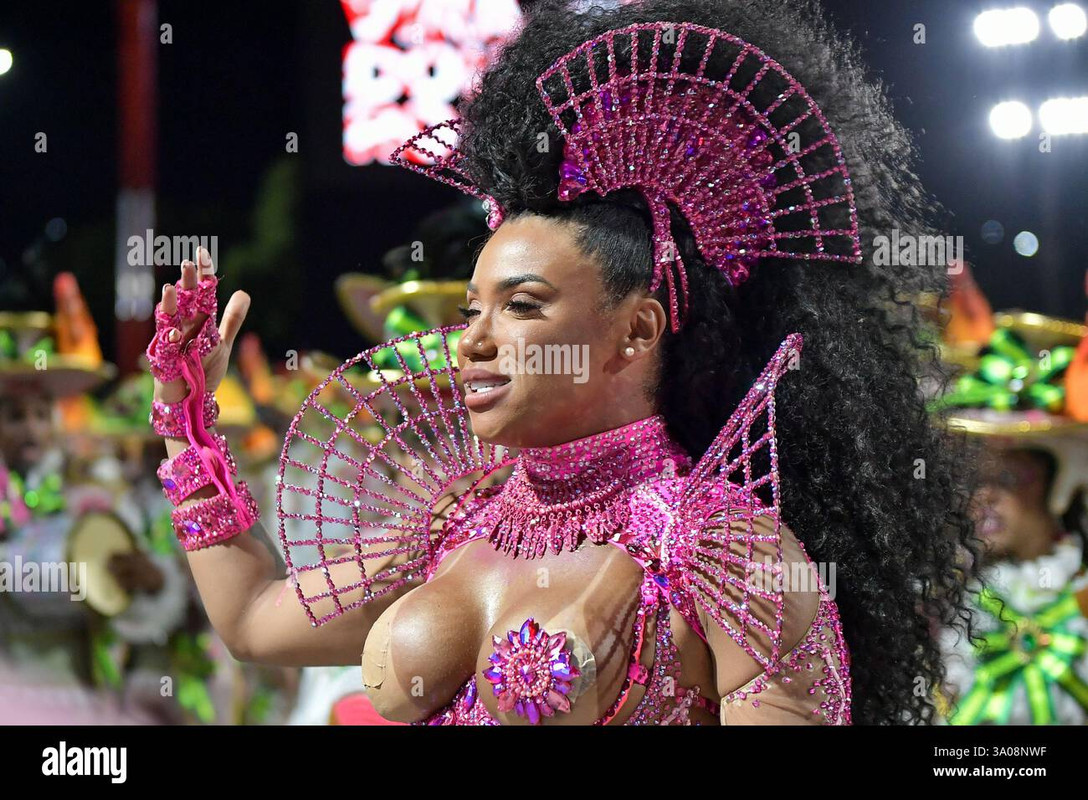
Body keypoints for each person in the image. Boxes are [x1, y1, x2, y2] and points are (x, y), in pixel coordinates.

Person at [145, 0, 980, 725]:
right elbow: (254, 622)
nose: (471, 339)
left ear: (638, 330)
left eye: (522, 305)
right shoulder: (456, 521)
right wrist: (185, 426)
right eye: (472, 308)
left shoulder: (723, 551)